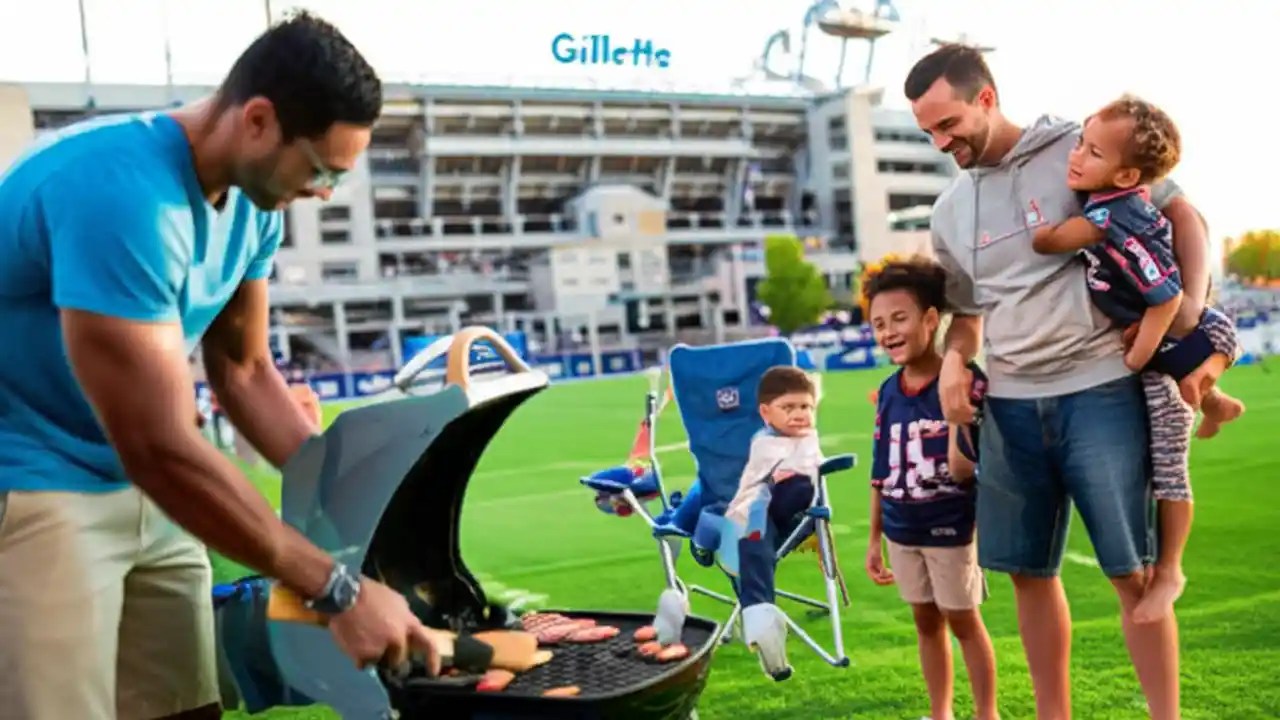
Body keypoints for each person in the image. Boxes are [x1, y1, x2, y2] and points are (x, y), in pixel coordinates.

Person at [0, 12, 440, 720]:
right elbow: (161, 447)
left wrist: (349, 496)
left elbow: (242, 370)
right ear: (259, 120)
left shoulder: (254, 202)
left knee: (186, 707)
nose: (325, 192)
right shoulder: (119, 195)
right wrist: (338, 591)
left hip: (148, 488)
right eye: (321, 168)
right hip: (33, 483)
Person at [903, 43, 1210, 720]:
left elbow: (1184, 215)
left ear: (986, 97)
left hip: (1100, 388)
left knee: (1133, 573)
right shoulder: (948, 210)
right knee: (1027, 575)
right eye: (926, 131)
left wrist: (1185, 309)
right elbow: (967, 314)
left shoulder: (1079, 149)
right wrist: (957, 358)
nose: (939, 141)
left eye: (947, 123)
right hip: (1010, 403)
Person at [1031, 95, 1245, 624]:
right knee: (1189, 379)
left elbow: (1169, 299)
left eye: (1093, 151)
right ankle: (1213, 399)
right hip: (1172, 350)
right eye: (1080, 142)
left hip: (1179, 339)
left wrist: (1142, 352)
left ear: (1127, 173)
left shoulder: (1116, 209)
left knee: (1170, 468)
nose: (1077, 157)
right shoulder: (1109, 199)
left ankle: (1171, 568)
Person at [863, 256, 999, 720]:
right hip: (902, 528)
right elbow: (880, 469)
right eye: (879, 324)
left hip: (950, 526)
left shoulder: (963, 381)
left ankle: (986, 713)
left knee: (963, 620)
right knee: (925, 622)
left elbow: (975, 464)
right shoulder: (886, 391)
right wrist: (873, 537)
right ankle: (940, 712)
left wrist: (963, 419)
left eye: (899, 318)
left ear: (930, 319)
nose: (888, 332)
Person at [723, 366, 824, 681]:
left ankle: (758, 618)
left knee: (800, 488)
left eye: (806, 407)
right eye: (788, 408)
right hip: (758, 516)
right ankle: (764, 629)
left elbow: (810, 474)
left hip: (799, 515)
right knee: (755, 542)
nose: (799, 414)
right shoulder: (764, 442)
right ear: (766, 413)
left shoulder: (809, 438)